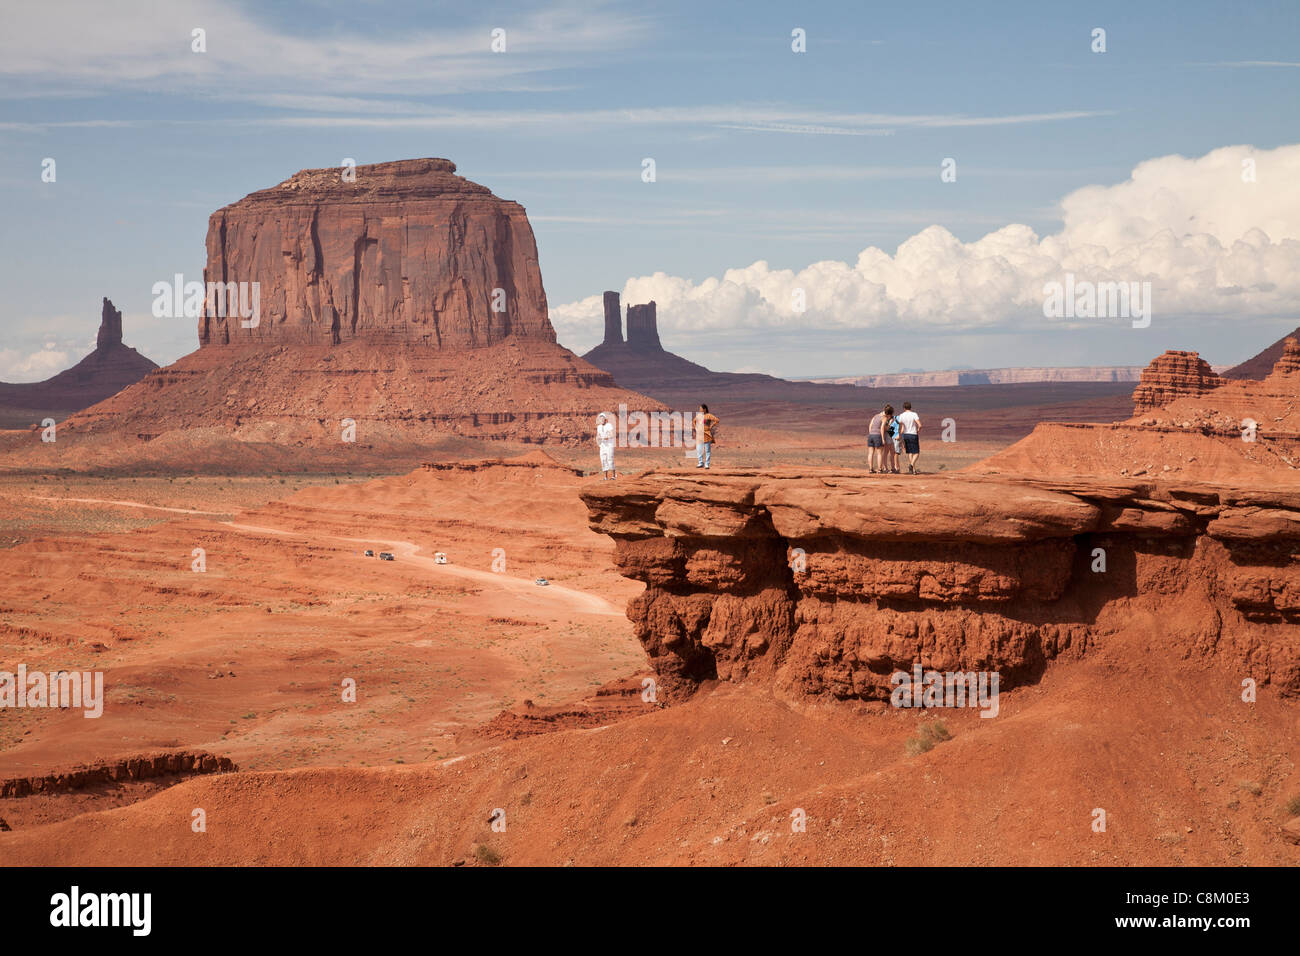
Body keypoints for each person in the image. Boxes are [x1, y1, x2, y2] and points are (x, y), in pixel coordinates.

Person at [896, 401, 922, 474]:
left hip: (906, 435)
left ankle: (913, 470)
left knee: (910, 452)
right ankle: (911, 465)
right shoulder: (914, 414)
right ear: (910, 407)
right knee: (916, 452)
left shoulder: (901, 415)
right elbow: (920, 425)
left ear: (904, 408)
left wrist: (899, 435)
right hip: (913, 434)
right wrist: (918, 430)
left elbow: (900, 426)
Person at [695, 404, 719, 469]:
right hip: (700, 435)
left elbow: (717, 420)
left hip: (707, 434)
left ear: (704, 409)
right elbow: (694, 421)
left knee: (707, 450)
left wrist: (711, 426)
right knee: (699, 449)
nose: (700, 410)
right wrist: (696, 428)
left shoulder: (709, 415)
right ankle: (700, 463)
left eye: (701, 409)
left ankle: (707, 464)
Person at [867, 405, 887, 473]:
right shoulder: (884, 418)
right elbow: (882, 428)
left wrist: (871, 433)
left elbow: (870, 425)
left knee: (870, 453)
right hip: (878, 436)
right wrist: (883, 439)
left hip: (871, 435)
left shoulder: (875, 416)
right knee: (879, 453)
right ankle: (880, 469)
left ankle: (870, 469)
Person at [596, 412, 616, 480]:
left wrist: (607, 437)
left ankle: (613, 476)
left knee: (610, 459)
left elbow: (611, 434)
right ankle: (605, 477)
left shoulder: (609, 425)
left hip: (609, 445)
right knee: (603, 460)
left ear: (605, 419)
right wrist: (598, 440)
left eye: (602, 418)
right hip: (602, 445)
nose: (601, 420)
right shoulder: (598, 427)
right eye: (600, 419)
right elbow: (598, 435)